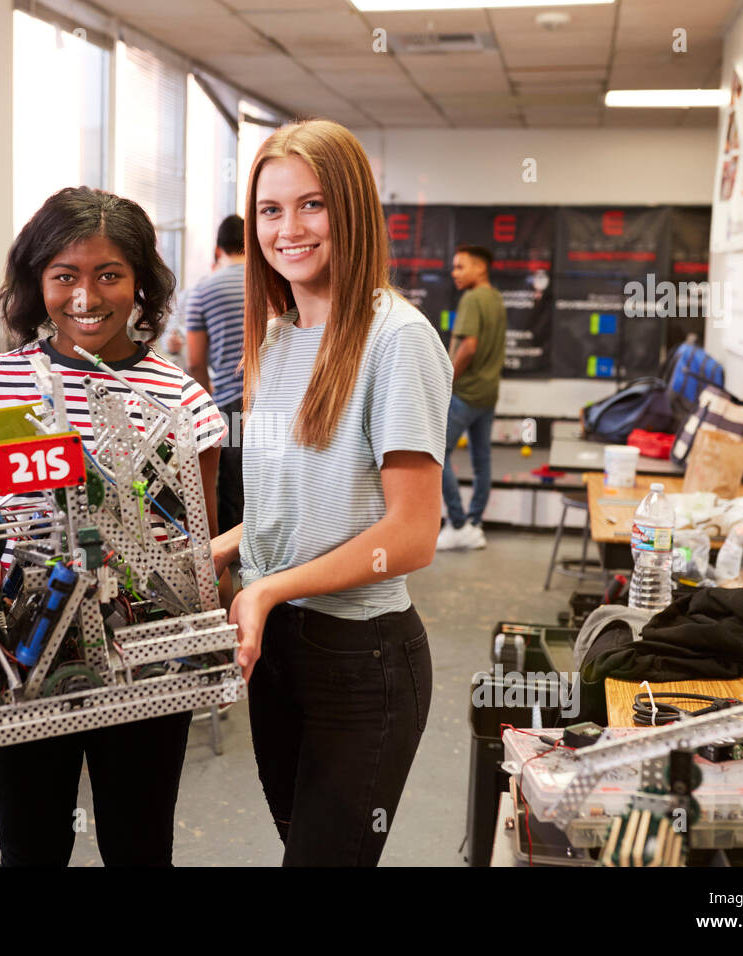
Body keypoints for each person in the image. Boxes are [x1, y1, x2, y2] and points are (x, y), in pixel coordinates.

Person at [0, 187, 226, 866]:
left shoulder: (182, 401)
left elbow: (200, 543)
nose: (86, 296)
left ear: (141, 284)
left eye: (109, 275)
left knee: (139, 843)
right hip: (24, 652)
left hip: (146, 659)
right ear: (36, 282)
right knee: (31, 844)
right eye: (64, 275)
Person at [211, 120, 451, 866]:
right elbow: (283, 505)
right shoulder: (275, 341)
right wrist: (208, 552)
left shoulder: (396, 339)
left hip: (362, 659)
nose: (289, 230)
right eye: (271, 211)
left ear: (350, 209)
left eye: (311, 205)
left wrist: (264, 590)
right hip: (277, 645)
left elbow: (413, 534)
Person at [436, 244, 507, 551]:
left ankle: (458, 523)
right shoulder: (496, 298)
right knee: (482, 461)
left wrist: (445, 381)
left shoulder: (472, 298)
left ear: (481, 268)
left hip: (465, 394)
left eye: (460, 266)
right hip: (488, 394)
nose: (455, 273)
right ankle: (475, 525)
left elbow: (469, 346)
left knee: (436, 455)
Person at [185, 214, 247, 536]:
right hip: (272, 399)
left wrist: (206, 400)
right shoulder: (273, 281)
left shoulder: (203, 290)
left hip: (232, 406)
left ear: (217, 248)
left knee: (233, 484)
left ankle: (236, 563)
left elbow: (195, 360)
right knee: (267, 479)